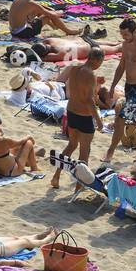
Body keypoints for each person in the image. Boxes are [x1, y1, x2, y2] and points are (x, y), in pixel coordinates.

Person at [50, 46, 103, 189]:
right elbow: (89, 100)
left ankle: (56, 176)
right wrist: (98, 120)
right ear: (97, 60)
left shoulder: (75, 67)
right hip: (84, 116)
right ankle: (79, 186)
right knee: (84, 152)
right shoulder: (90, 74)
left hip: (71, 112)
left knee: (71, 145)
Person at [10, 0, 81, 39]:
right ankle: (68, 31)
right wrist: (61, 12)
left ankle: (54, 26)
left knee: (39, 10)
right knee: (48, 16)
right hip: (23, 33)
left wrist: (48, 8)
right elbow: (52, 14)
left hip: (13, 31)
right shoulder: (30, 2)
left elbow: (38, 6)